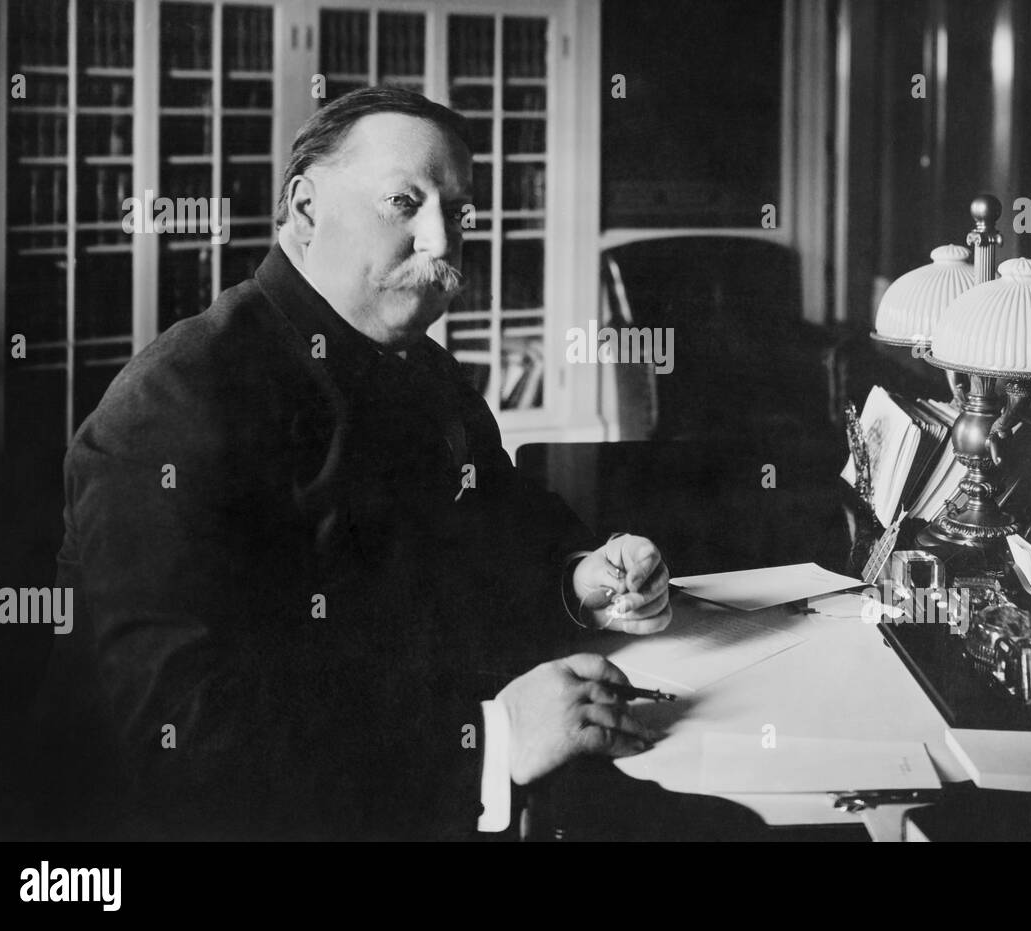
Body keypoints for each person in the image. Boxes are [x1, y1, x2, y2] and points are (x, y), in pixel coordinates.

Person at [44, 87, 675, 840]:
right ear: (305, 210)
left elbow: (504, 536)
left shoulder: (426, 373)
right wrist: (494, 736)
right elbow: (185, 738)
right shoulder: (174, 404)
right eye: (404, 202)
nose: (442, 239)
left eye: (458, 211)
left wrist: (581, 576)